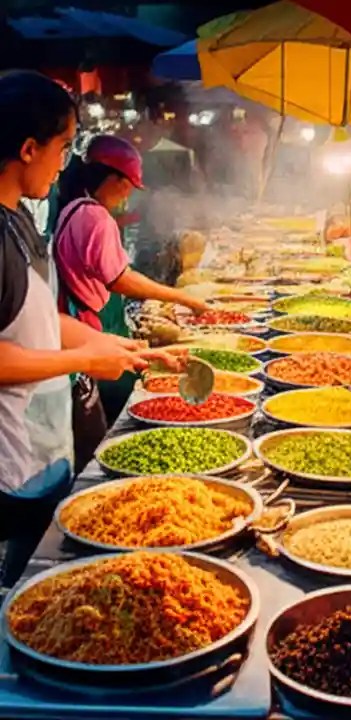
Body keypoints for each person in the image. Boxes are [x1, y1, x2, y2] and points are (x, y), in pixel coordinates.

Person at [0, 70, 178, 588]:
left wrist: (108, 343)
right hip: (10, 452)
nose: (65, 163)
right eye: (62, 146)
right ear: (29, 148)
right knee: (30, 580)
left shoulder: (19, 222)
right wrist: (86, 361)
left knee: (36, 561)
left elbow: (35, 317)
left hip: (41, 441)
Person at [53, 133, 208, 460]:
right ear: (110, 177)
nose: (127, 194)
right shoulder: (94, 217)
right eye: (126, 185)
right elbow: (120, 279)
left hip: (84, 323)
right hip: (91, 325)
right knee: (122, 409)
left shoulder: (72, 208)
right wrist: (186, 300)